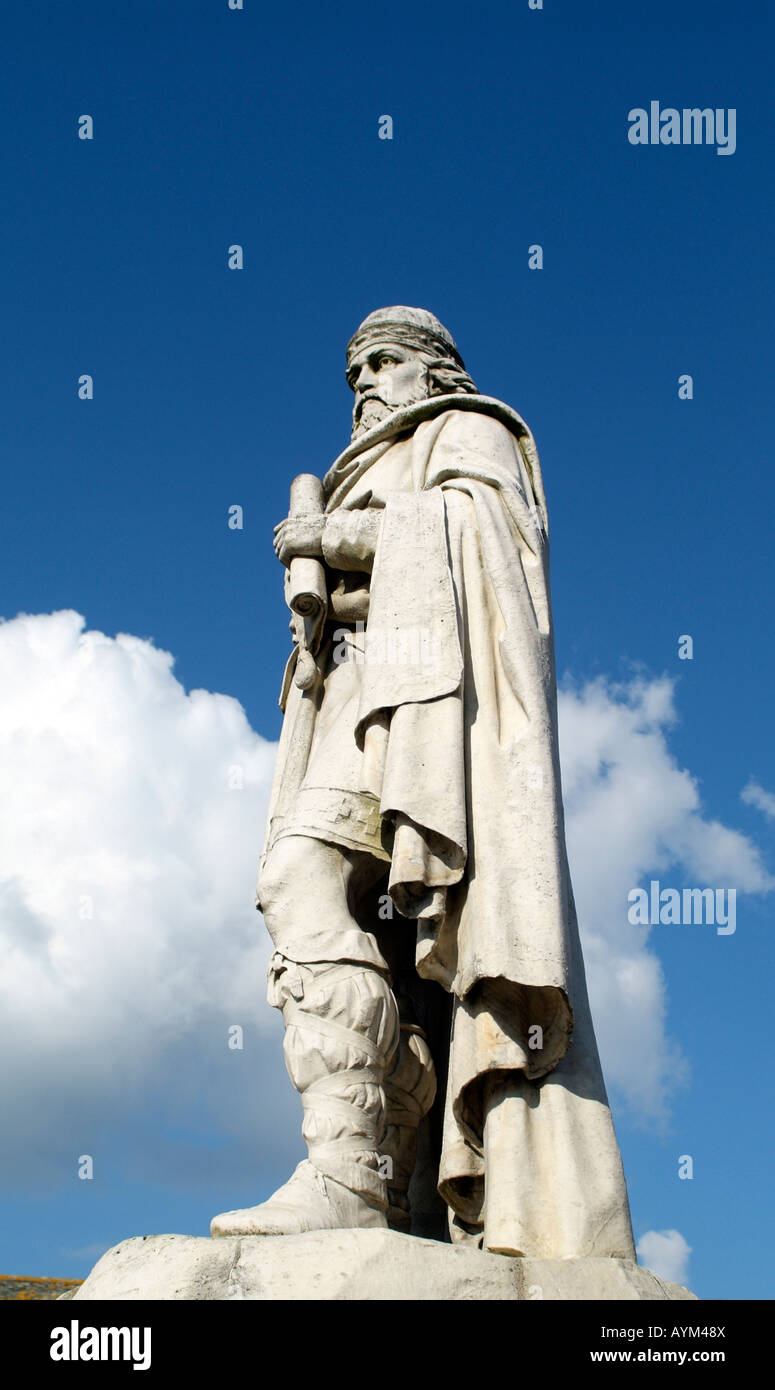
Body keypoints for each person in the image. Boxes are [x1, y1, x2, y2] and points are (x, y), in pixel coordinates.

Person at [210, 306, 636, 1259]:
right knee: (313, 900)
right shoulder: (359, 464)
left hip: (431, 702)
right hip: (353, 692)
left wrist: (340, 536)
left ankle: (348, 1171)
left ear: (432, 371)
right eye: (354, 367)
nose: (364, 380)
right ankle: (374, 1161)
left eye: (384, 361)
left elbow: (480, 538)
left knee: (305, 881)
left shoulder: (468, 429)